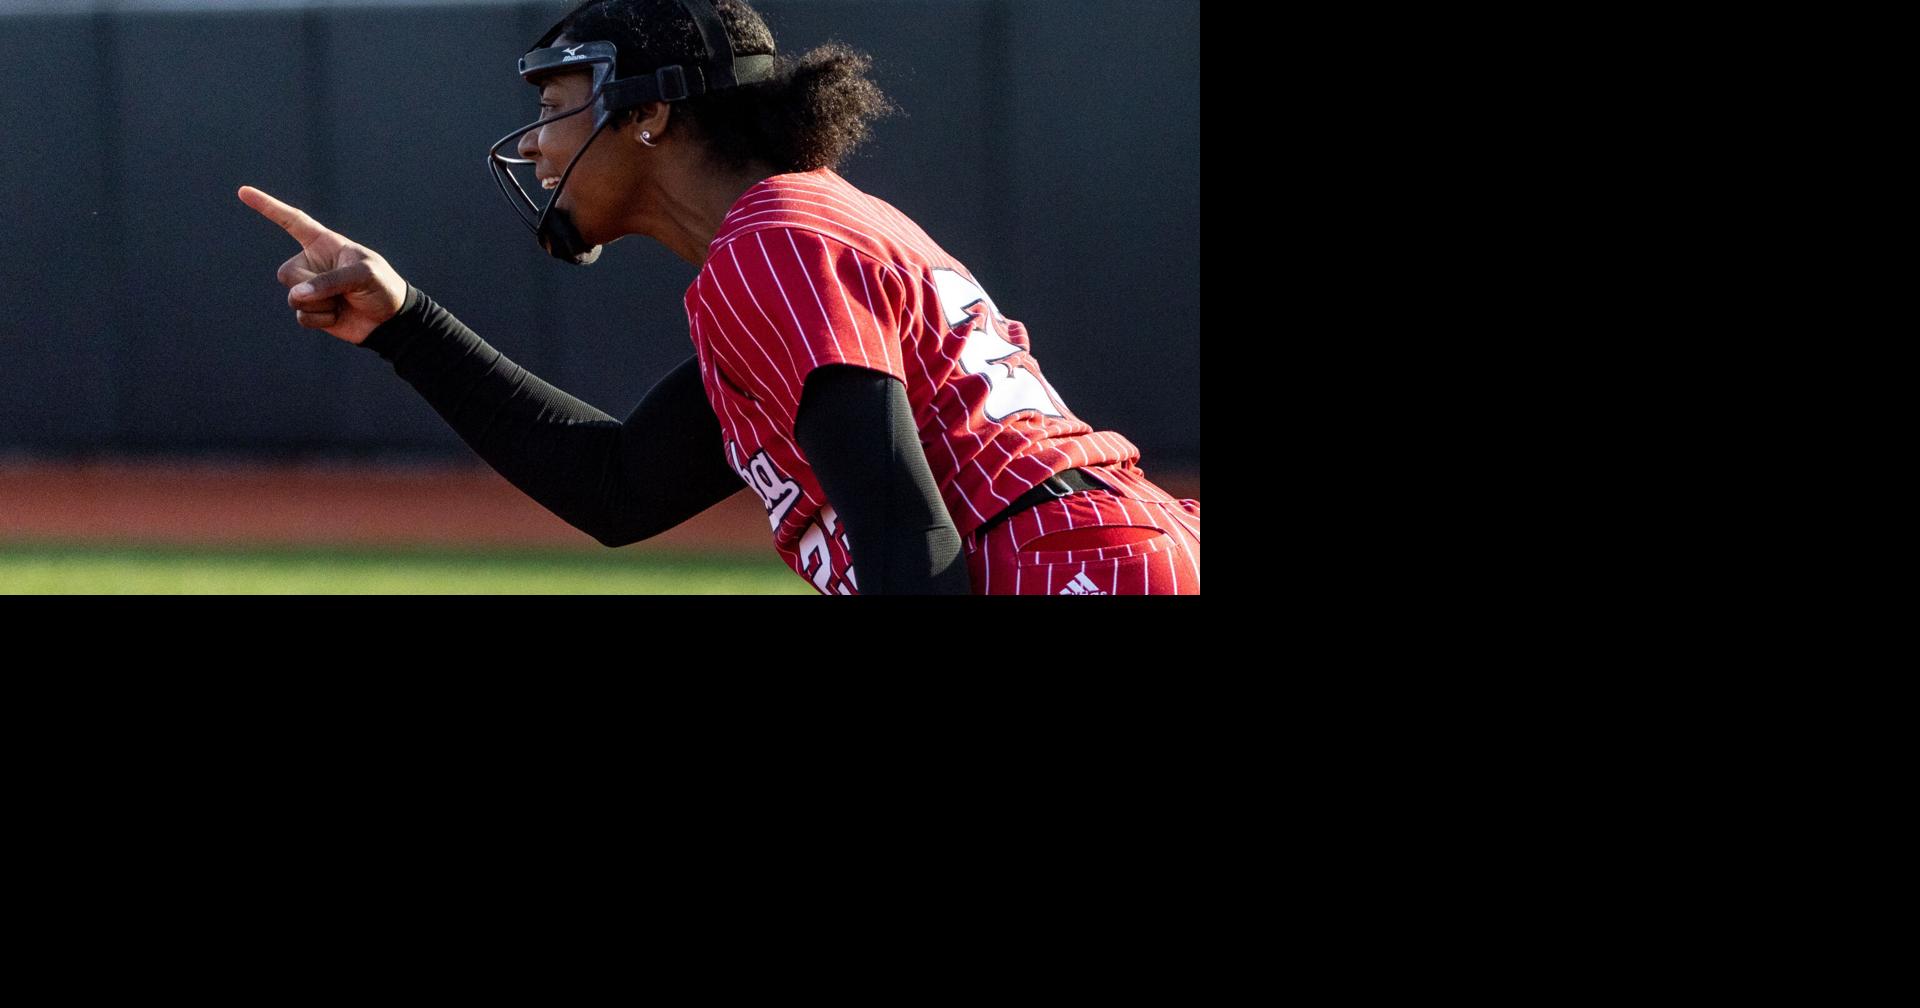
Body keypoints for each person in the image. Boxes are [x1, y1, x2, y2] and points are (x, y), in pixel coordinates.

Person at [237, 0, 1198, 595]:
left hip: (1067, 568)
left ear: (649, 112)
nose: (533, 143)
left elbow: (908, 536)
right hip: (1102, 551)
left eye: (552, 105)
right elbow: (616, 486)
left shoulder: (772, 243)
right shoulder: (797, 236)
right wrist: (407, 324)